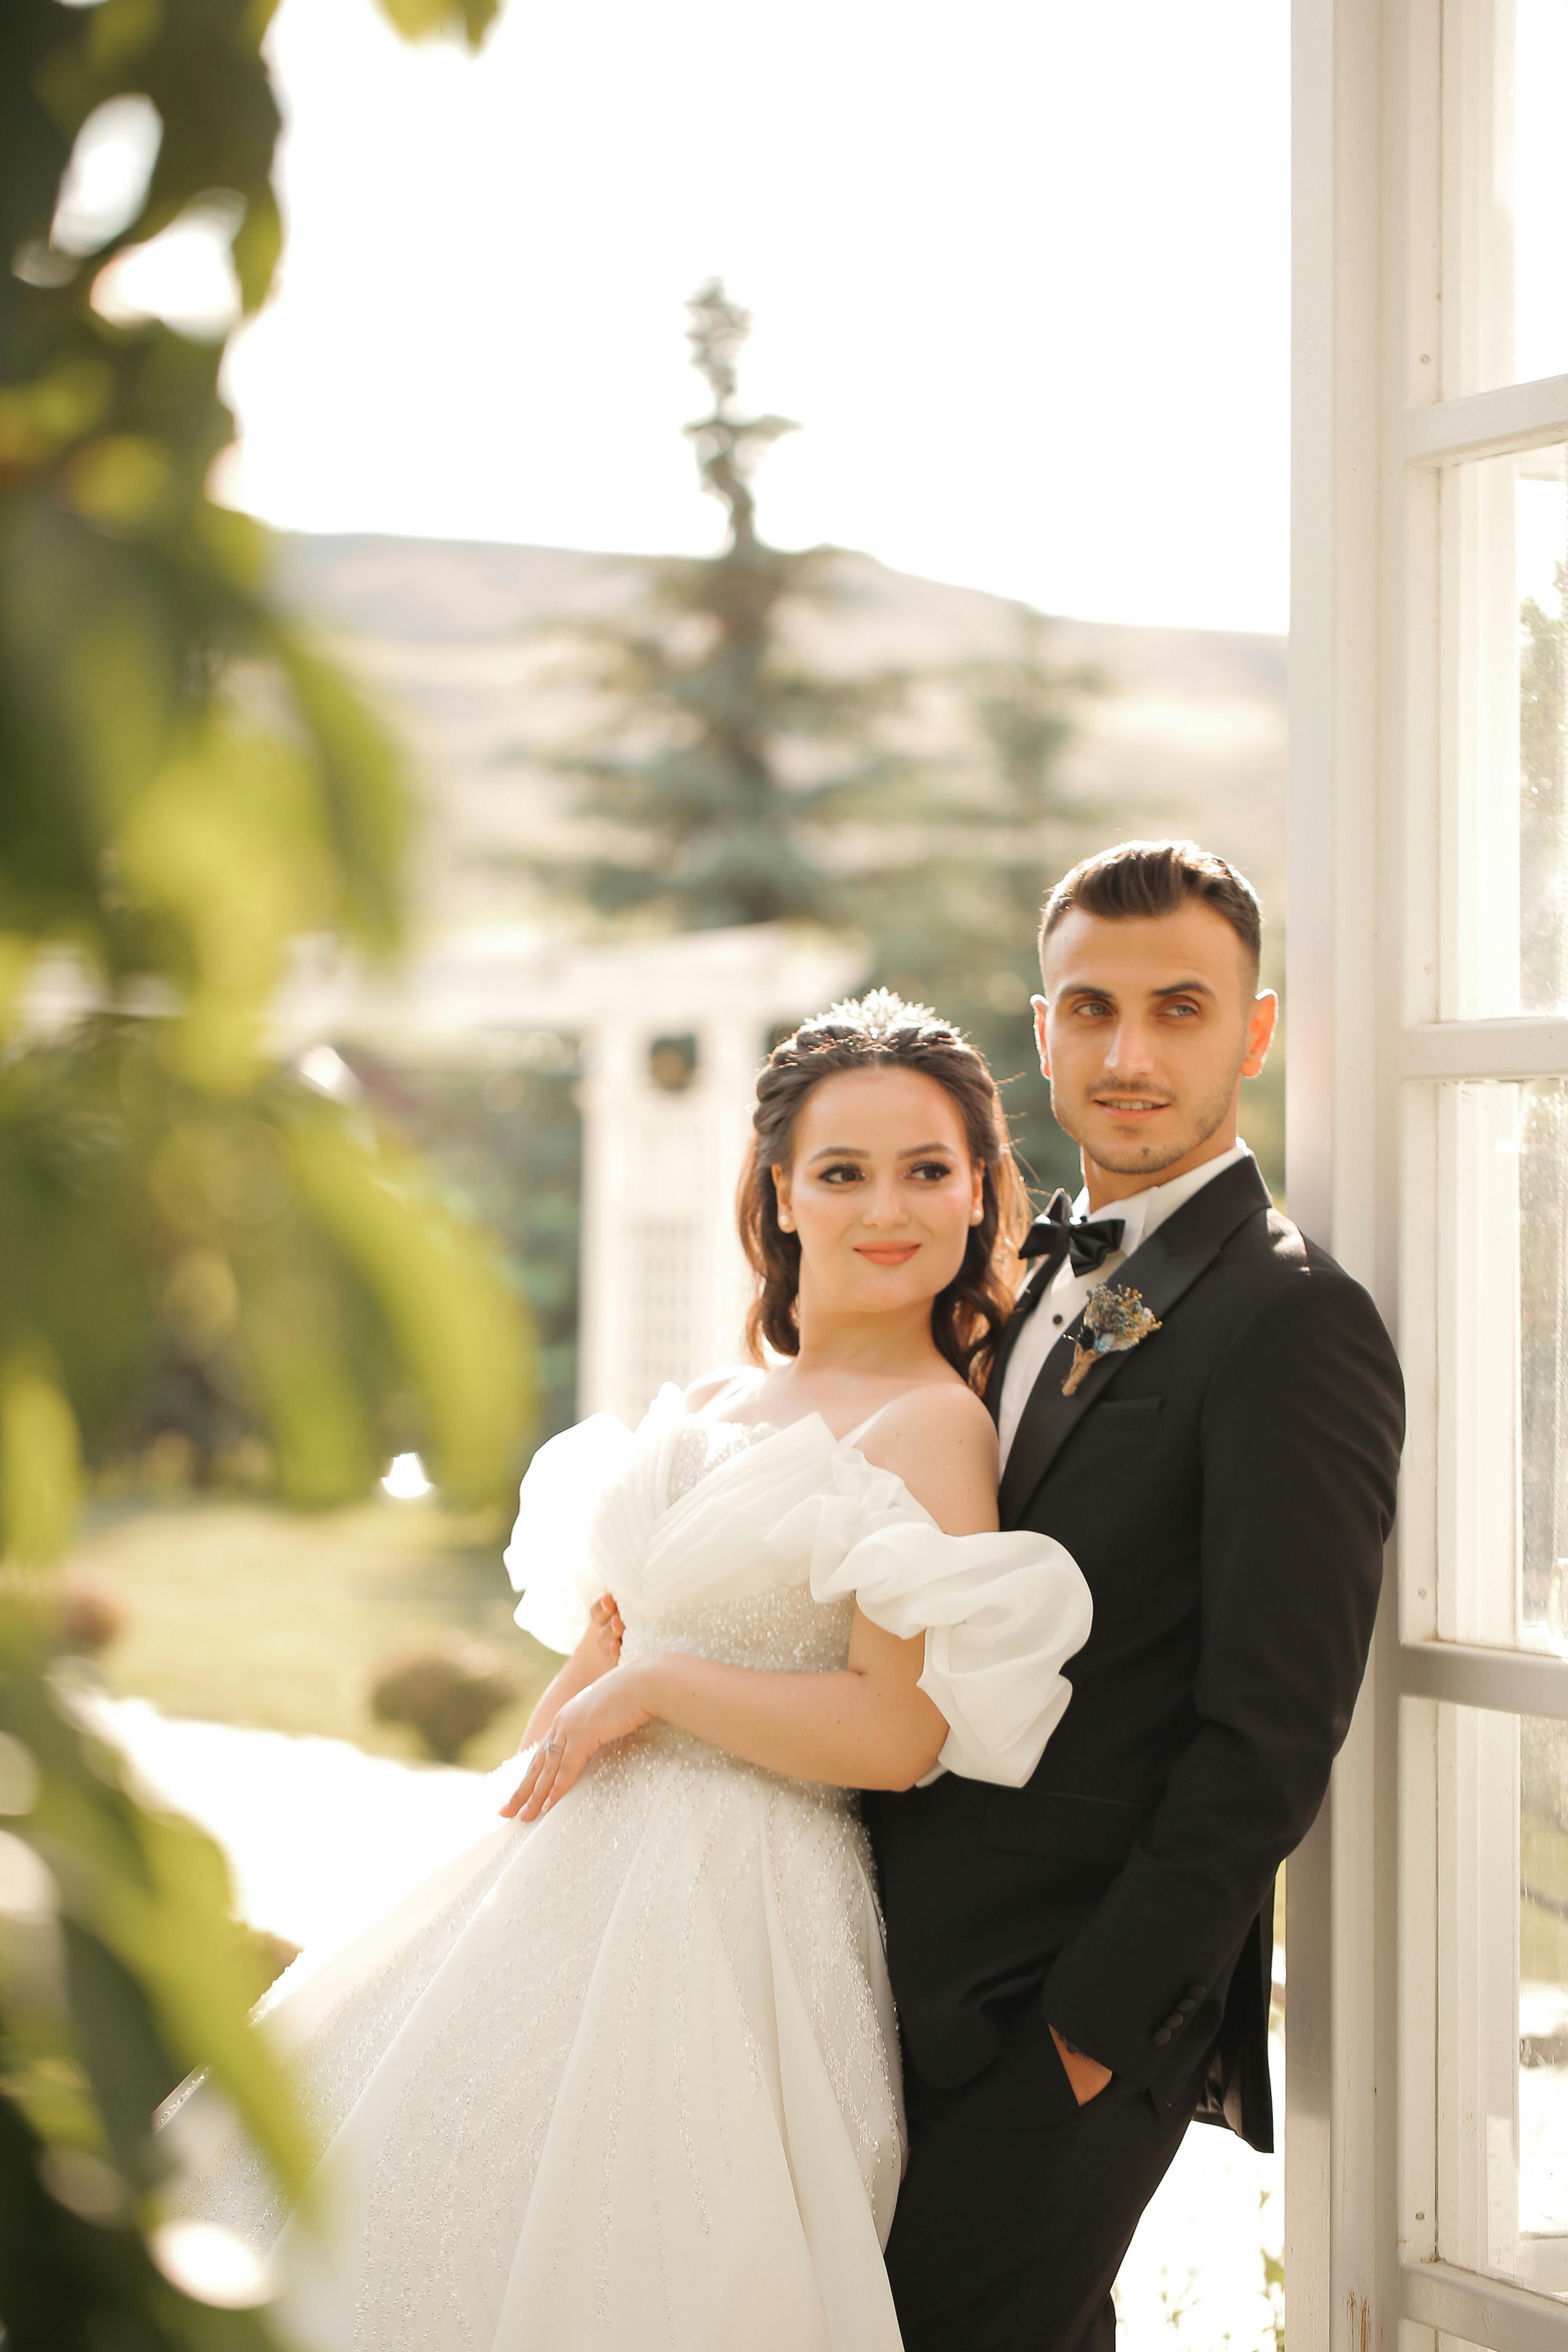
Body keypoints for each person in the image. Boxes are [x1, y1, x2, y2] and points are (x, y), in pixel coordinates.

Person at [162, 991, 1092, 2352]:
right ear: (780, 1195)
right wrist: (603, 1679)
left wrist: (656, 1691)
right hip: (556, 1875)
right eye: (842, 1172)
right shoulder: (721, 1399)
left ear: (976, 1195)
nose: (883, 1207)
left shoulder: (934, 1428)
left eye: (926, 1170)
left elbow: (895, 1733)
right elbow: (607, 1658)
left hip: (734, 1908)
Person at [864, 839, 1405, 2352]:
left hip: (1066, 2015)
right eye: (1089, 1009)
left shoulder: (1295, 1321)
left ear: (1254, 1031)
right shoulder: (1023, 1279)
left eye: (1179, 1009)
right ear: (1041, 1033)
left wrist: (1092, 2038)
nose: (1127, 1053)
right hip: (900, 1981)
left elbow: (1272, 1734)